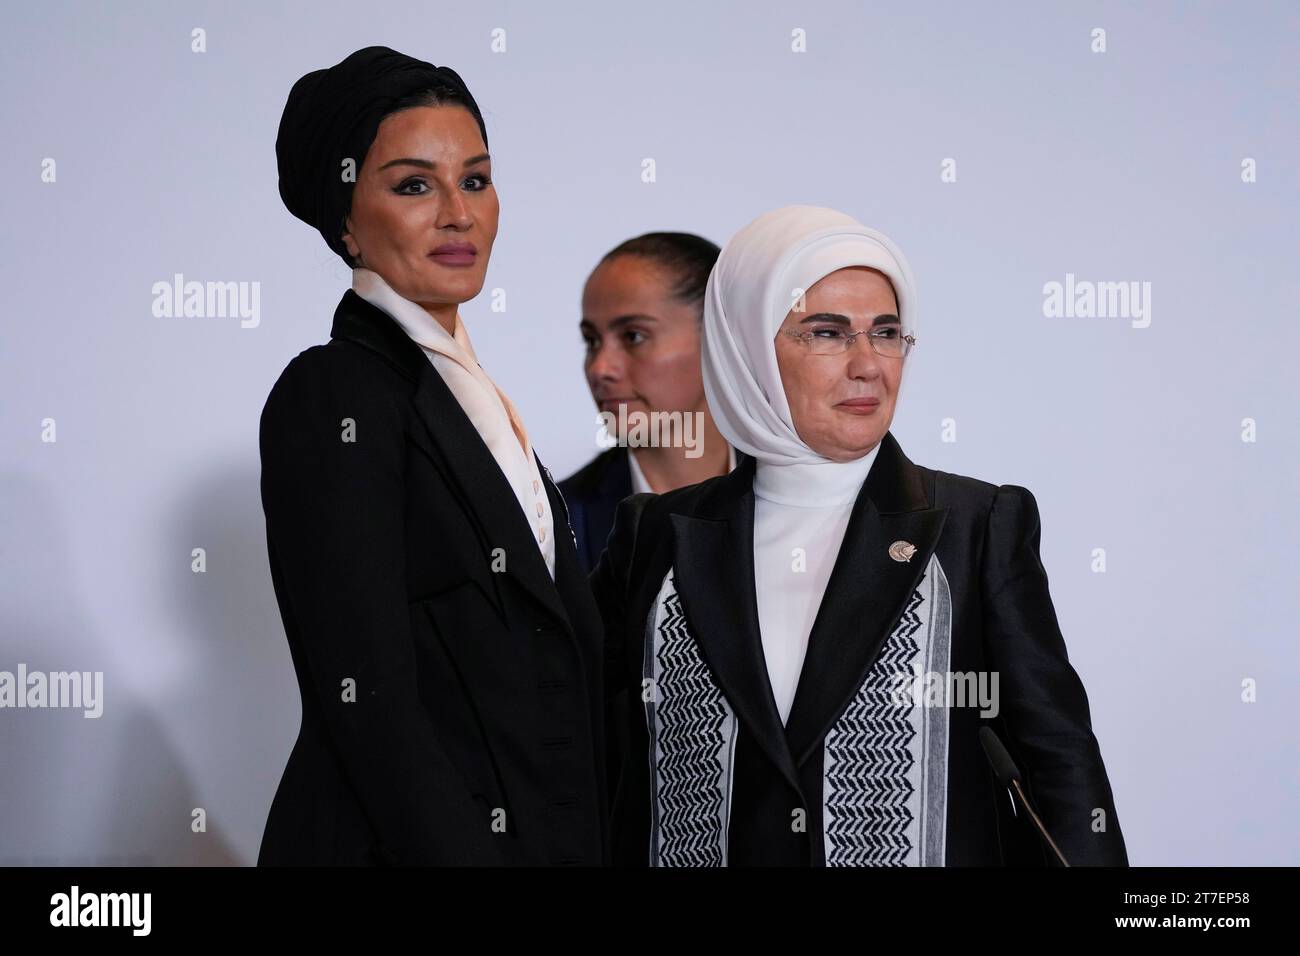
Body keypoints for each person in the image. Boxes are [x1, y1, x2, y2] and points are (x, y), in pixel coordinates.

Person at [591, 205, 1128, 866]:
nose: (869, 365)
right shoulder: (656, 536)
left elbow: (1060, 774)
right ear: (746, 347)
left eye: (888, 332)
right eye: (826, 333)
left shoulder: (976, 526)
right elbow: (589, 762)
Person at [259, 46, 605, 866]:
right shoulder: (336, 392)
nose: (459, 213)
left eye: (476, 180)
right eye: (414, 184)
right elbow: (367, 701)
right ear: (344, 218)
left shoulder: (474, 399)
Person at [561, 233, 736, 574]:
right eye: (591, 341)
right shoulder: (556, 524)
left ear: (720, 337)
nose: (600, 368)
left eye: (634, 336)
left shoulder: (805, 498)